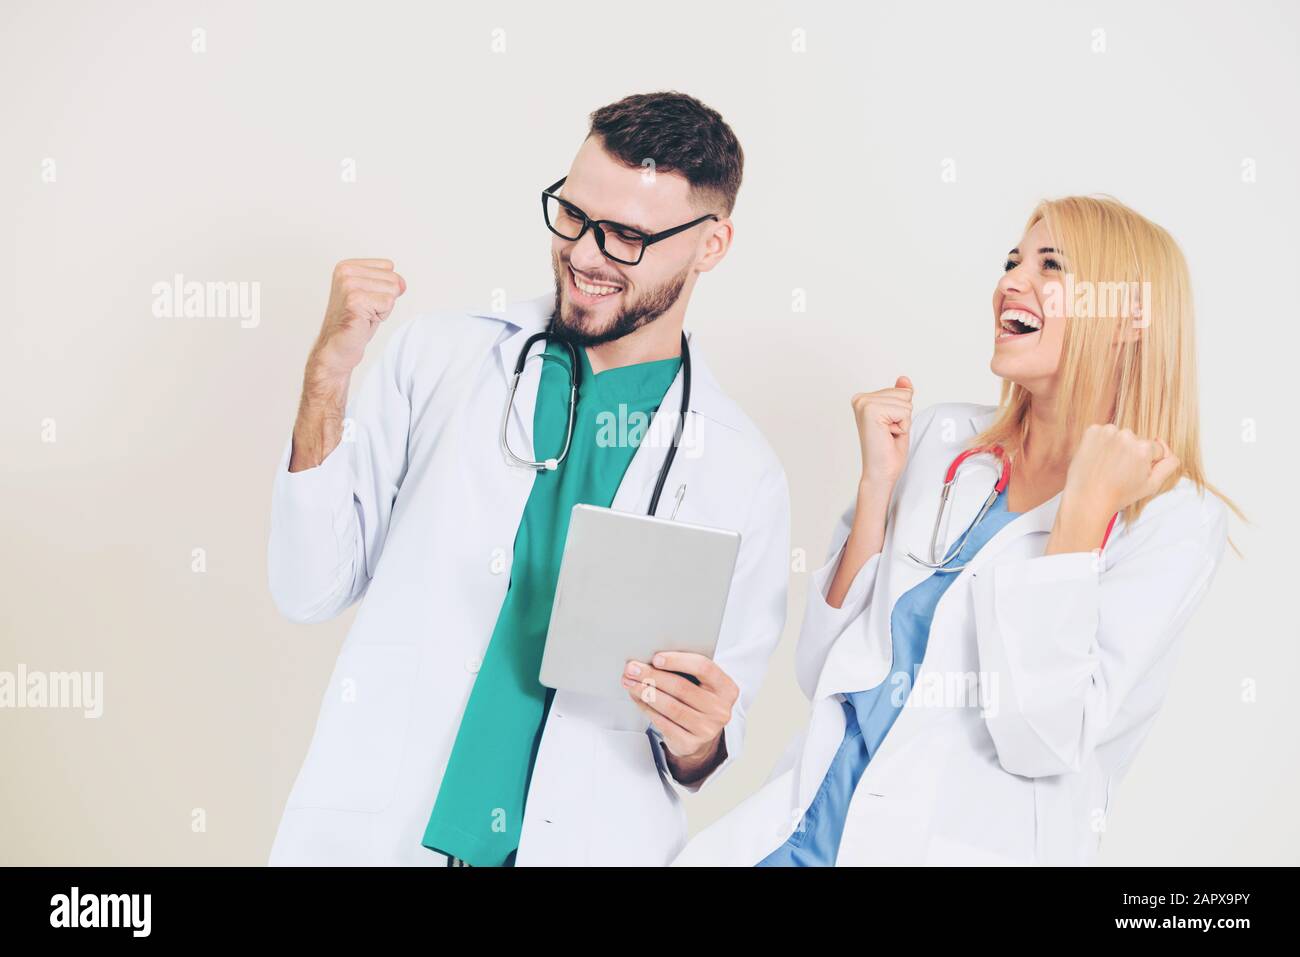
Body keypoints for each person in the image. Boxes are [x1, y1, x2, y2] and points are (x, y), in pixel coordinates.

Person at [267, 92, 790, 866]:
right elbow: (307, 588)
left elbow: (703, 751)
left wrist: (700, 730)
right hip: (382, 833)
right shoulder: (441, 359)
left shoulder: (742, 471)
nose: (585, 253)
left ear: (711, 244)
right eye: (573, 215)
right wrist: (327, 380)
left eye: (626, 236)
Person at [674, 196, 1237, 867]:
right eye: (1012, 262)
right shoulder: (944, 439)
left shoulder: (1173, 519)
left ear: (1127, 317)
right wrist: (877, 488)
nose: (1011, 282)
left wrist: (1084, 516)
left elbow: (1041, 739)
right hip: (796, 835)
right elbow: (821, 669)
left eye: (1051, 267)